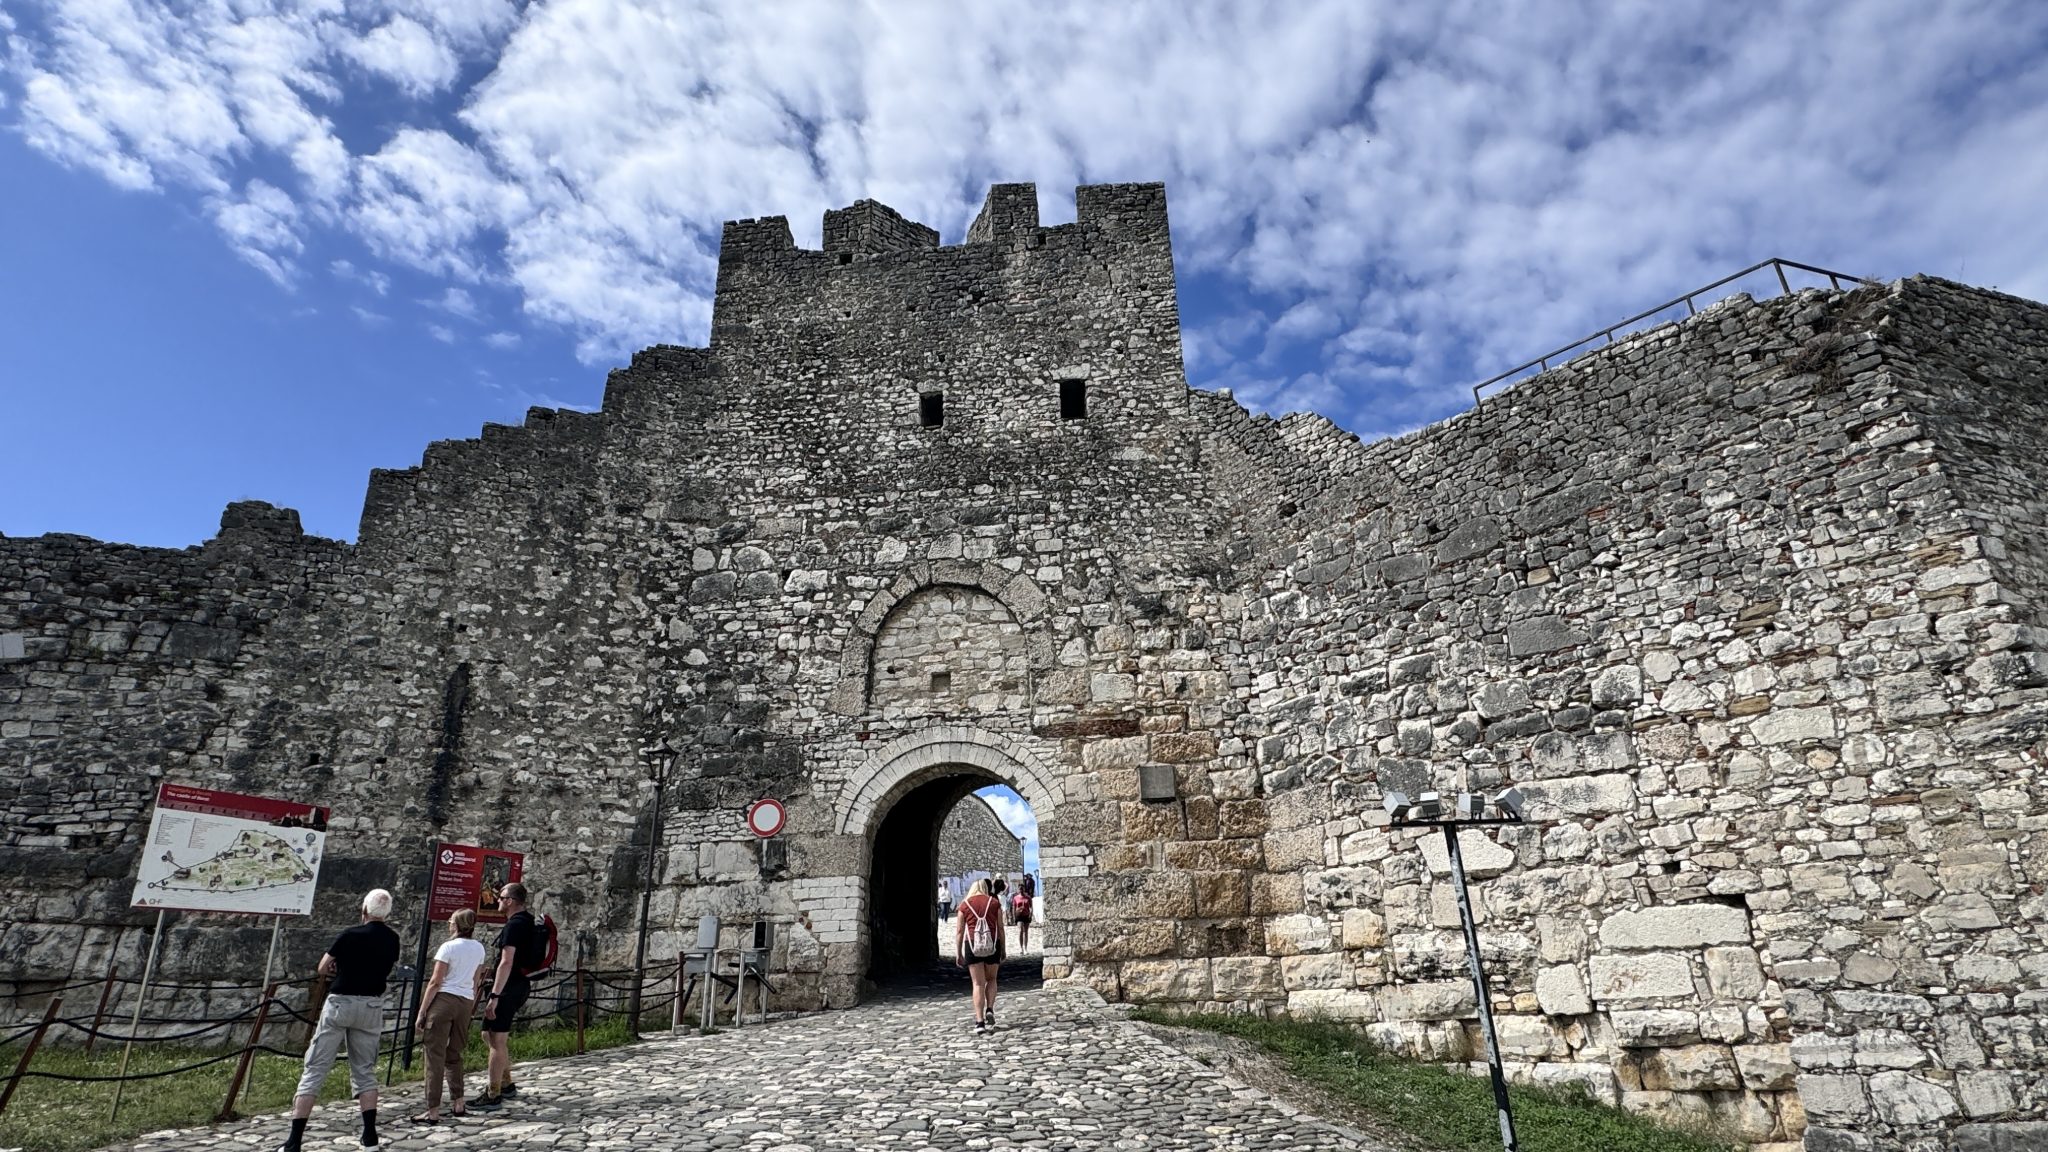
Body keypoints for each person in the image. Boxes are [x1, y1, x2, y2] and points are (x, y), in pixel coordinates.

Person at [278, 889, 400, 1152]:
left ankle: (294, 1140)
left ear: (364, 910)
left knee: (315, 1068)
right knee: (365, 1071)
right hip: (370, 1004)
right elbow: (385, 966)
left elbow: (323, 967)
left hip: (341, 1001)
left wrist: (339, 967)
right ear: (387, 913)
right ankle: (369, 1136)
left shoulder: (350, 935)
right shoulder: (393, 939)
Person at [410, 908, 486, 1125]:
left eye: (451, 921)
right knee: (455, 1053)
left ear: (457, 925)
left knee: (434, 1055)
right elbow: (476, 979)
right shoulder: (479, 948)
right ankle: (458, 1101)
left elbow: (436, 981)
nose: (449, 924)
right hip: (465, 1001)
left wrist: (422, 1010)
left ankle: (433, 1109)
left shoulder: (448, 947)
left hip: (444, 999)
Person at [476, 882, 538, 1109]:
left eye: (501, 897)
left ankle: (493, 1093)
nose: (498, 900)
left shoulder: (514, 926)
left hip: (508, 987)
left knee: (496, 1039)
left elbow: (507, 961)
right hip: (519, 984)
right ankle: (506, 1082)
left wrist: (495, 995)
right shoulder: (528, 922)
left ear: (510, 901)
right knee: (488, 1034)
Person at [953, 878, 1005, 1032]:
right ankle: (989, 1008)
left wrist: (958, 953)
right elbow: (1000, 928)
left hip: (972, 945)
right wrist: (1003, 949)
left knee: (978, 984)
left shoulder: (964, 905)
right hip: (992, 945)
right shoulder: (994, 904)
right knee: (992, 979)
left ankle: (979, 1022)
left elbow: (959, 931)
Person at [1011, 885, 1033, 950]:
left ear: (1024, 889)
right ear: (1018, 890)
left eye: (1022, 889)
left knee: (1025, 932)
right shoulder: (1015, 898)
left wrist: (1031, 914)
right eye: (1020, 889)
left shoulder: (1028, 898)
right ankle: (1021, 948)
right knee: (1020, 930)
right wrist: (1014, 916)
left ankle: (1025, 947)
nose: (1021, 890)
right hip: (1019, 916)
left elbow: (1031, 907)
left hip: (1026, 915)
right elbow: (1014, 907)